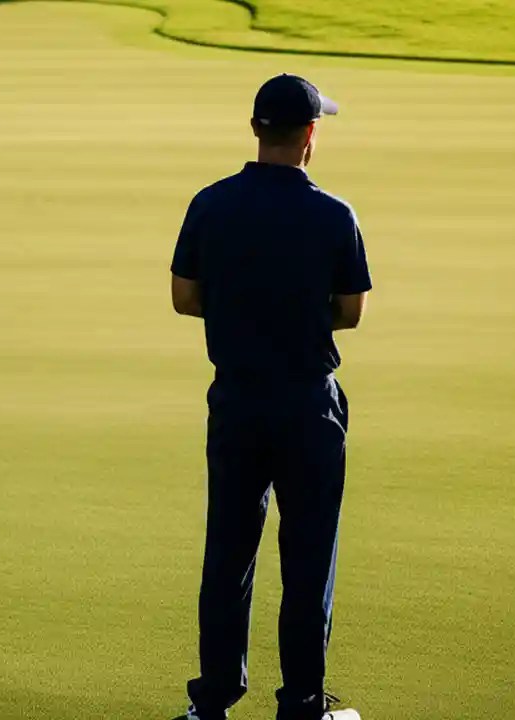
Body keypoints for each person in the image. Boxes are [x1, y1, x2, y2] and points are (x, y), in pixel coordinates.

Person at [167, 74, 372, 720]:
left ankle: (213, 702)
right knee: (309, 556)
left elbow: (184, 297)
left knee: (228, 552)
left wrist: (241, 314)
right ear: (309, 134)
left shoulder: (210, 203)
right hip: (308, 405)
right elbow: (351, 311)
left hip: (236, 402)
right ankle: (302, 705)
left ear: (256, 129)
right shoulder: (334, 214)